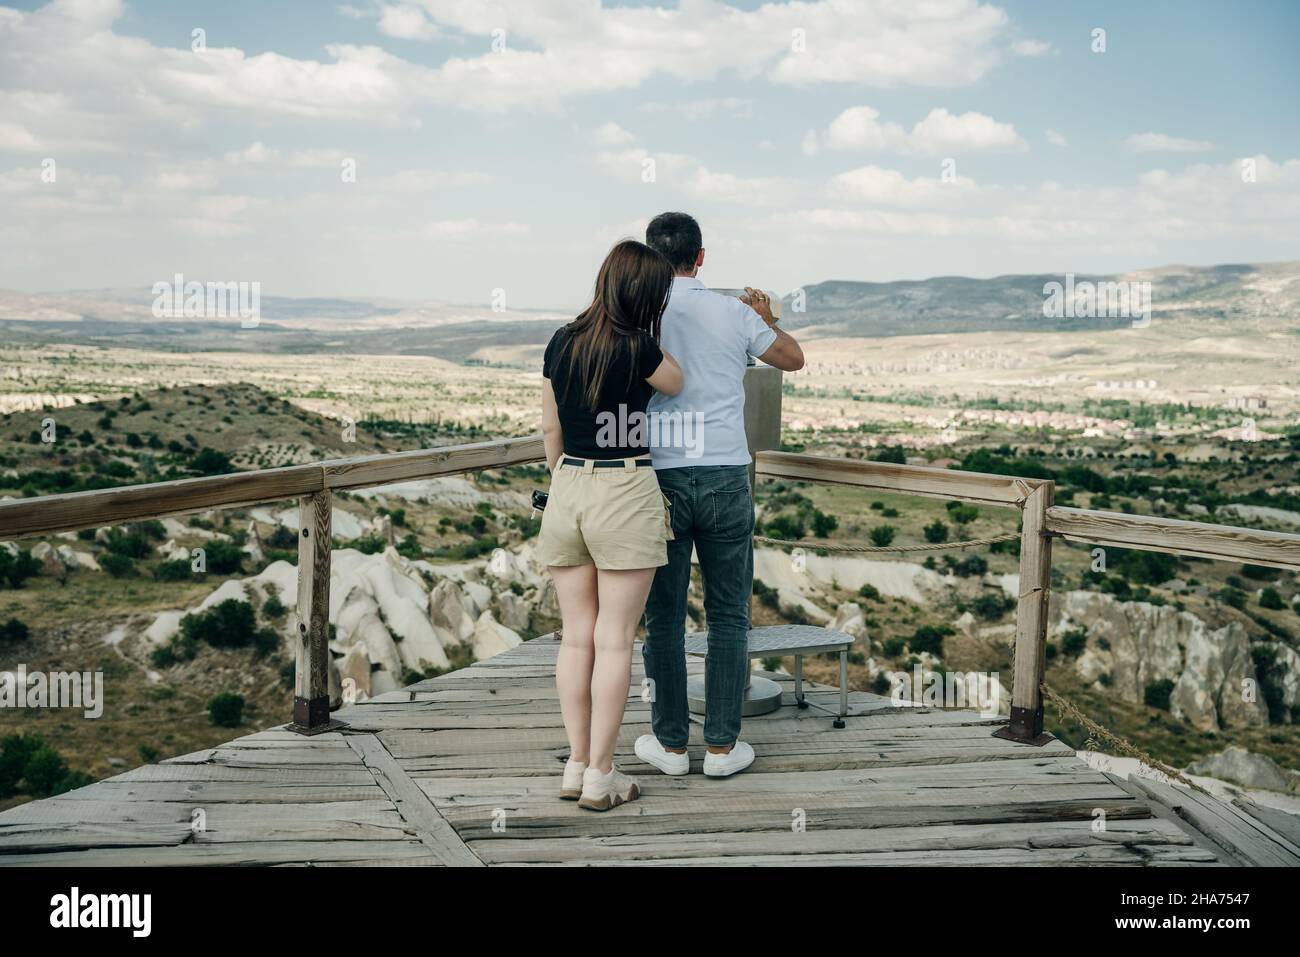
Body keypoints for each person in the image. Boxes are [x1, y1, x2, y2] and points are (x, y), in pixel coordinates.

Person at [635, 212, 804, 779]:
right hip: (728, 473)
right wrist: (766, 318)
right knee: (729, 615)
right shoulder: (734, 313)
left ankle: (672, 746)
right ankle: (725, 749)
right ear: (701, 257)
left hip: (660, 477)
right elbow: (792, 358)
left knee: (663, 618)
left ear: (651, 257)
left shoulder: (641, 312)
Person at [537, 239, 684, 811]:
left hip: (568, 483)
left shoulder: (560, 341)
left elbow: (549, 429)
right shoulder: (642, 347)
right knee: (615, 640)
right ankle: (602, 774)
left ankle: (575, 766)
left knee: (576, 636)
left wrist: (568, 479)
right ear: (646, 295)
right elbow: (677, 382)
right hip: (624, 485)